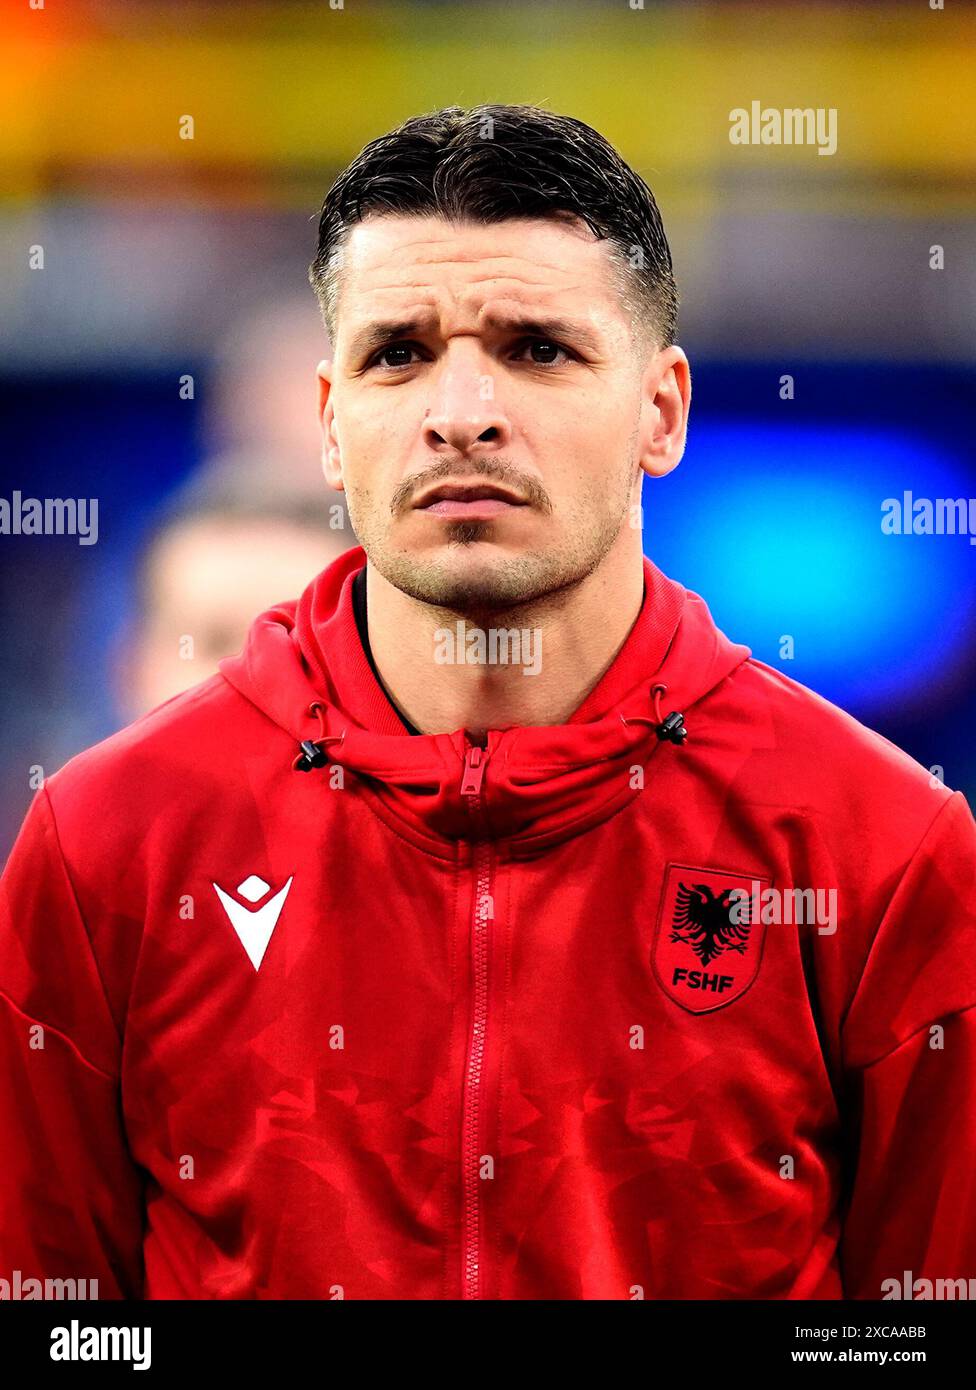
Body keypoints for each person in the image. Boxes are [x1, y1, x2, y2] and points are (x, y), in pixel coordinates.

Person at [1, 103, 974, 1302]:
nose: (460, 411)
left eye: (537, 348)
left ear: (662, 410)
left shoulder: (883, 847)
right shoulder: (107, 842)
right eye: (397, 352)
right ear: (326, 425)